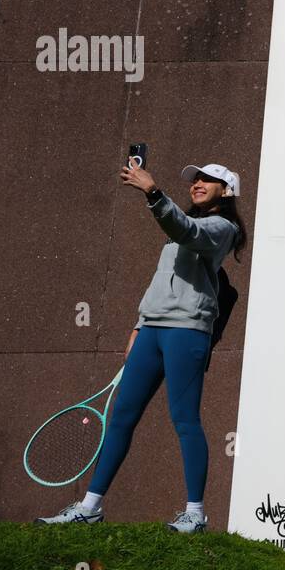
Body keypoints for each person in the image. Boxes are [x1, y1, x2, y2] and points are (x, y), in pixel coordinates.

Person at [36, 160, 247, 533]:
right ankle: (90, 507)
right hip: (152, 330)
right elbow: (162, 275)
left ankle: (195, 514)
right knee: (121, 418)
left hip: (187, 332)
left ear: (226, 190)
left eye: (208, 180)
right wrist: (139, 325)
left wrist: (152, 191)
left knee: (185, 420)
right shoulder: (183, 225)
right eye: (195, 179)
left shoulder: (221, 228)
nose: (197, 183)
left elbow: (186, 230)